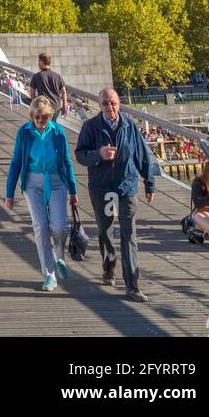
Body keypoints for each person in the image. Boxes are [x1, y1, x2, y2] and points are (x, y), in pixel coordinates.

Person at [75, 88, 155, 301]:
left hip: (126, 186)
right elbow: (80, 155)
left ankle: (132, 285)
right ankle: (108, 266)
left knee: (129, 234)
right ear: (99, 105)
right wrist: (98, 155)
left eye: (113, 103)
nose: (110, 108)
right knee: (105, 229)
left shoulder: (129, 126)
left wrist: (149, 181)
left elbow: (141, 154)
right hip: (102, 187)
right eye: (105, 104)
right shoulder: (90, 127)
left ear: (119, 103)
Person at [5, 96, 79, 290]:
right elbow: (16, 162)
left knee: (60, 227)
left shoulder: (58, 132)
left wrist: (73, 189)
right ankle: (49, 274)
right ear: (32, 116)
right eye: (36, 117)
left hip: (56, 181)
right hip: (33, 182)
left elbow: (66, 162)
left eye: (44, 117)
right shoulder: (25, 132)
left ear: (50, 116)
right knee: (41, 228)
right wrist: (9, 193)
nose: (40, 121)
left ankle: (59, 256)